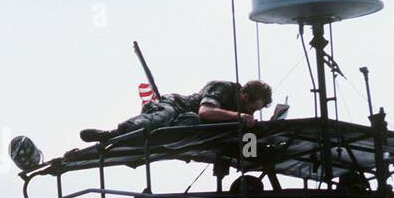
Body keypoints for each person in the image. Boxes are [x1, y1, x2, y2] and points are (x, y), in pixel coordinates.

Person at [80, 79, 272, 143]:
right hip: (173, 106)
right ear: (245, 96)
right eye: (251, 108)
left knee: (187, 126)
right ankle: (112, 134)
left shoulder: (240, 110)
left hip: (188, 120)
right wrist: (240, 116)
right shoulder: (224, 88)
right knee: (162, 118)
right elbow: (205, 112)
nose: (251, 113)